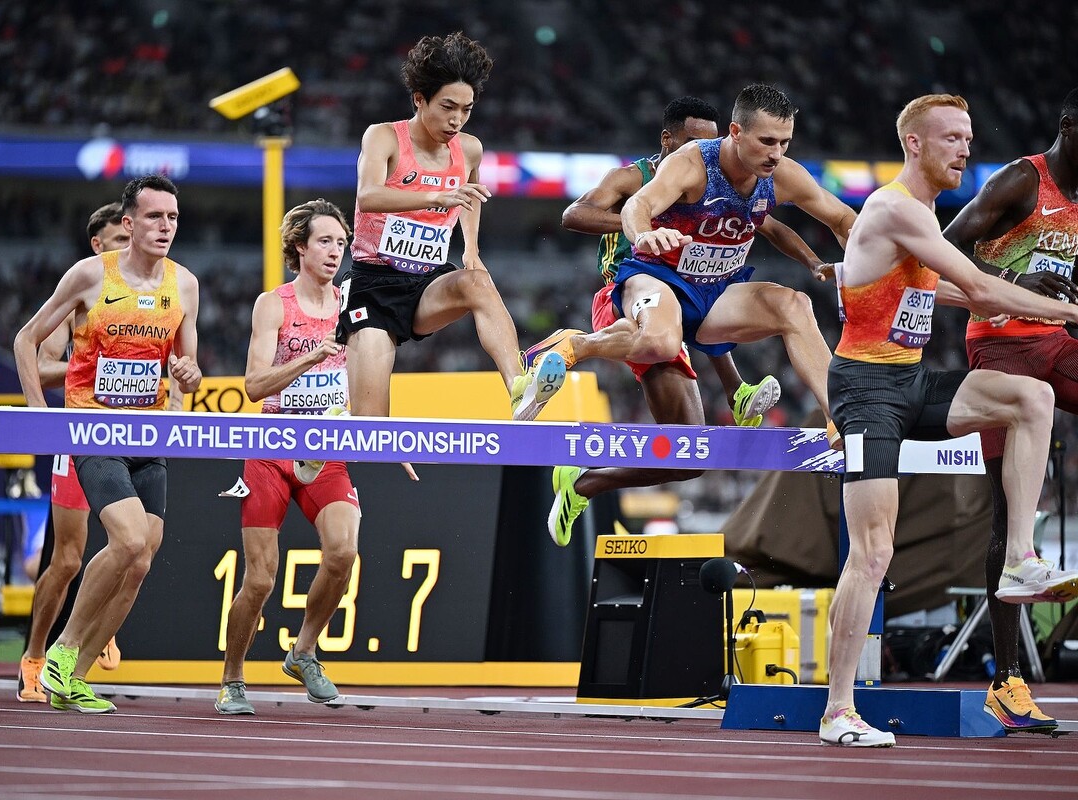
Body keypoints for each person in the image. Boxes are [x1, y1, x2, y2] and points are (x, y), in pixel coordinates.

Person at [822, 94, 1078, 748]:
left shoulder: (923, 215)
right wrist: (1063, 311)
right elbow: (984, 289)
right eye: (951, 138)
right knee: (873, 552)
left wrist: (1015, 300)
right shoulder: (897, 208)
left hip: (911, 380)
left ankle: (1019, 559)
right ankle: (839, 710)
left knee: (1031, 399)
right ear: (914, 143)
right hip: (866, 390)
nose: (964, 148)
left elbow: (943, 288)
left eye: (967, 137)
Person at [549, 94, 838, 545]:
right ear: (668, 140)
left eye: (710, 142)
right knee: (665, 331)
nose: (703, 151)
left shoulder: (735, 175)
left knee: (690, 456)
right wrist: (644, 230)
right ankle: (576, 344)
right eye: (692, 142)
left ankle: (584, 481)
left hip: (690, 292)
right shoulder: (642, 177)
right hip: (631, 288)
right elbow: (576, 214)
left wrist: (815, 261)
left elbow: (770, 225)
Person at [14, 174, 202, 713]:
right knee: (127, 538)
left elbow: (187, 368)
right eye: (154, 216)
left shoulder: (185, 284)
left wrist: (187, 380)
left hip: (149, 436)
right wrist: (41, 417)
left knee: (141, 559)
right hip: (94, 431)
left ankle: (75, 676)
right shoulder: (91, 275)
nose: (165, 226)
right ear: (129, 223)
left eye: (172, 217)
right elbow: (26, 340)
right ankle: (61, 649)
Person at [336, 31, 566, 425]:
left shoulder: (470, 149)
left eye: (466, 109)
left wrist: (471, 249)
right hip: (373, 287)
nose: (456, 119)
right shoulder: (383, 137)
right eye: (447, 107)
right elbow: (369, 196)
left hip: (426, 282)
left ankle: (520, 390)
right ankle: (340, 415)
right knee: (370, 425)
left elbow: (470, 194)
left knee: (477, 282)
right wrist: (434, 196)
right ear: (419, 99)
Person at [940, 87, 1078, 733]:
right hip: (999, 347)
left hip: (1057, 341)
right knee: (1008, 512)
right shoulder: (1022, 181)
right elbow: (940, 251)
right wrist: (1014, 283)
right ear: (1069, 127)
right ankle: (1007, 680)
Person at [215, 199, 364, 714]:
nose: (335, 252)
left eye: (341, 243)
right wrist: (311, 357)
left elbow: (371, 374)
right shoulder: (273, 304)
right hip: (271, 448)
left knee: (343, 553)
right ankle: (233, 679)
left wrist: (391, 437)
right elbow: (254, 386)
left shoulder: (352, 302)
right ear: (300, 246)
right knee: (260, 578)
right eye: (325, 241)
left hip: (327, 449)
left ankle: (303, 652)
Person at [16, 202, 133, 703]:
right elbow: (42, 363)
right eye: (119, 241)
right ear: (97, 245)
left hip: (132, 435)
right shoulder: (80, 294)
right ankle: (34, 657)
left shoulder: (154, 294)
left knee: (133, 546)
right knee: (66, 559)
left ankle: (88, 633)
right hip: (81, 433)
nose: (129, 248)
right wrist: (89, 366)